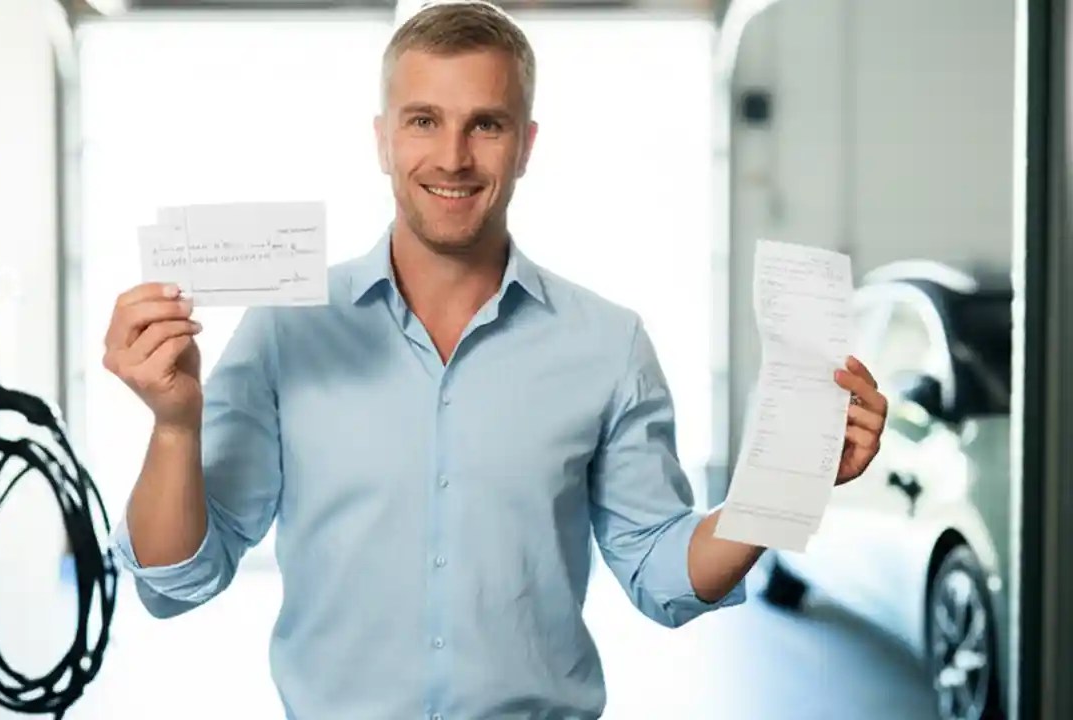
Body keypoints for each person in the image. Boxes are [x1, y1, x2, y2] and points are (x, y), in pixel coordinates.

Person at [101, 1, 889, 717]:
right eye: (422, 121)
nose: (453, 157)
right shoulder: (285, 331)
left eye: (486, 123)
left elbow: (662, 577)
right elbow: (178, 583)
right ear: (382, 138)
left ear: (526, 145)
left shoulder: (607, 344)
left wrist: (782, 485)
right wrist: (174, 426)